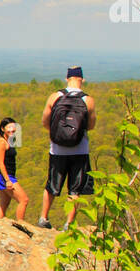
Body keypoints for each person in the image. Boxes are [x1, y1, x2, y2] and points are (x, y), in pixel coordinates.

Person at [37, 66, 96, 230]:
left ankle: (43, 218)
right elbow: (91, 126)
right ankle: (68, 224)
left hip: (57, 149)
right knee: (75, 190)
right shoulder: (88, 100)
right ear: (82, 79)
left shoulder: (55, 97)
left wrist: (59, 134)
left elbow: (44, 122)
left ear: (67, 78)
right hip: (80, 149)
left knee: (52, 185)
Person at [0, 117, 28, 220]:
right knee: (24, 200)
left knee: (4, 204)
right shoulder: (2, 142)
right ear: (2, 129)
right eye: (9, 128)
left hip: (7, 176)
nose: (12, 130)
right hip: (5, 176)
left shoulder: (9, 140)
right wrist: (8, 180)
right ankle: (21, 223)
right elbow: (1, 163)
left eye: (14, 128)